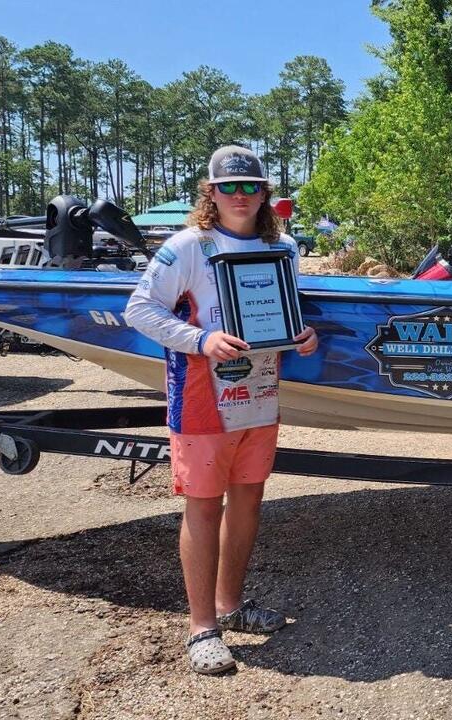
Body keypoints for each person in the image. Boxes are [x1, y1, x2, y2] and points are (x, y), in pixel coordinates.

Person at [124, 145, 318, 673]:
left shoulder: (286, 248)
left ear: (265, 194)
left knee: (249, 501)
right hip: (202, 397)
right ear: (210, 192)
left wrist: (302, 336)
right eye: (228, 187)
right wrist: (199, 339)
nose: (240, 196)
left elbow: (286, 312)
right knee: (205, 506)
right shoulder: (188, 245)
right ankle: (200, 627)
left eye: (251, 186)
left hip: (259, 393)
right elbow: (138, 309)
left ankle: (231, 606)